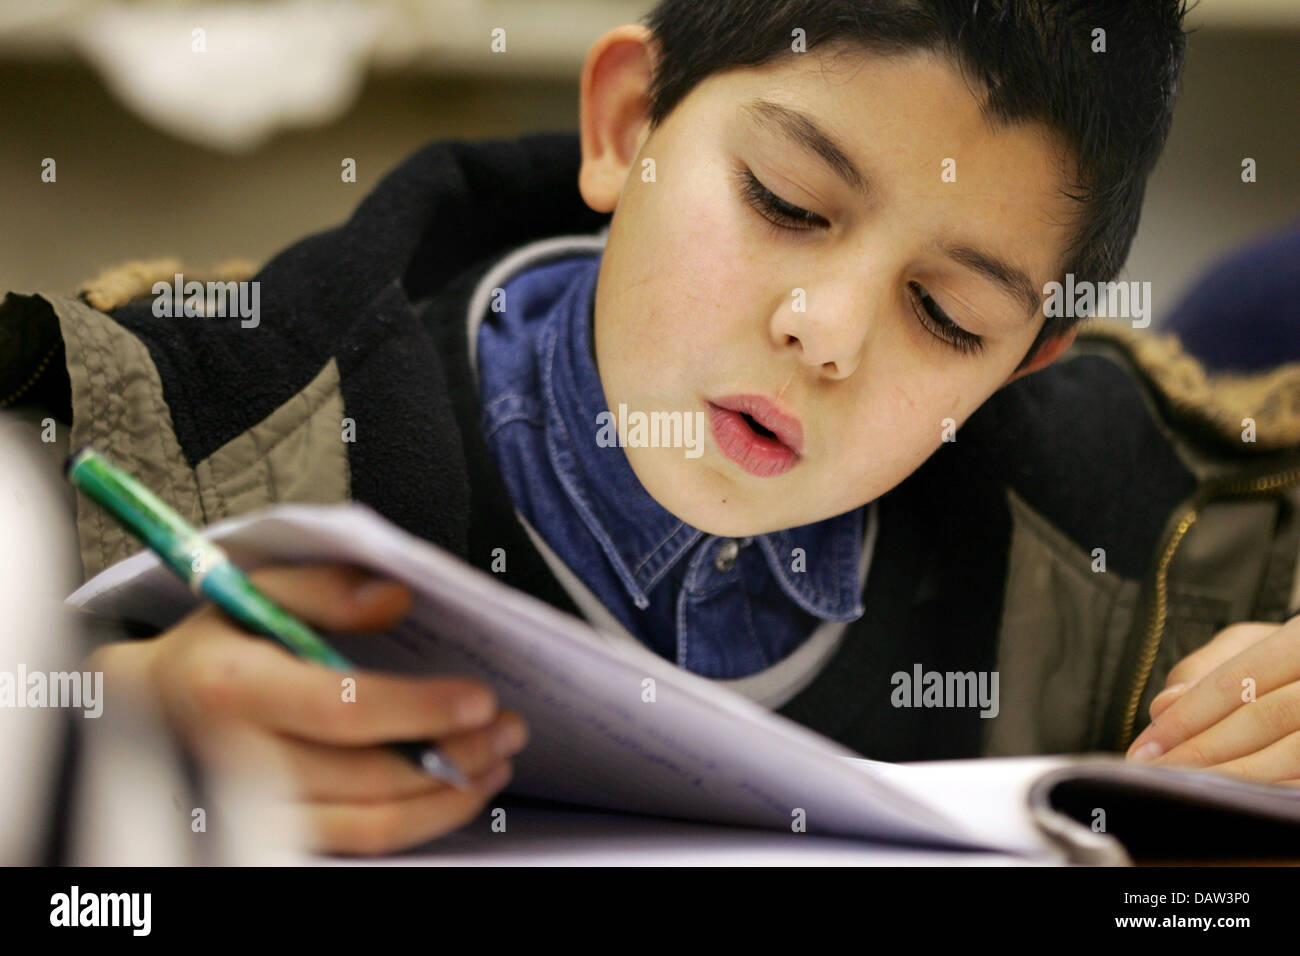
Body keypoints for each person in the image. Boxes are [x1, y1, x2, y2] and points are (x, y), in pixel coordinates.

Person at [3, 1, 1299, 856]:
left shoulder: (1159, 545)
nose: (829, 333)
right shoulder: (129, 416)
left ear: (1023, 366)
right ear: (627, 124)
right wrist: (72, 734)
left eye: (949, 319)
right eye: (788, 203)